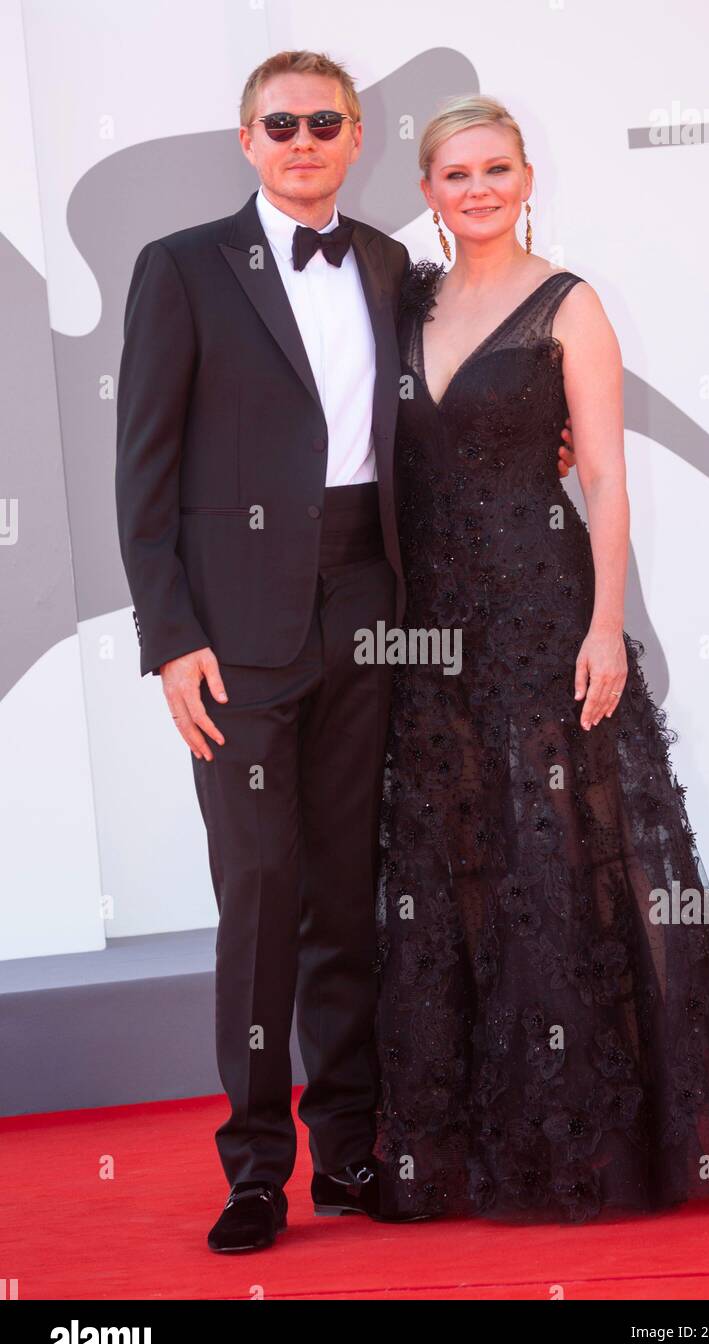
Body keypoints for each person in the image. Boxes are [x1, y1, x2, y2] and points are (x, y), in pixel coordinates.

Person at [114, 49, 579, 1254]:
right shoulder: (179, 271)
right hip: (237, 638)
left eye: (327, 122)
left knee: (348, 897)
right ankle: (256, 1170)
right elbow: (145, 474)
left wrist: (546, 439)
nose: (305, 140)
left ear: (357, 137)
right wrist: (171, 638)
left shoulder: (389, 268)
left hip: (376, 611)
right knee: (261, 895)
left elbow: (450, 402)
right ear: (247, 139)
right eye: (283, 124)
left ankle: (353, 1153)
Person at [372, 94, 709, 1223]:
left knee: (561, 854)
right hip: (432, 632)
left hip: (544, 610)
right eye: (455, 173)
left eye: (496, 169)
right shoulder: (404, 302)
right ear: (427, 193)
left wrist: (607, 623)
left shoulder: (572, 305)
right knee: (457, 859)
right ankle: (469, 1136)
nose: (478, 189)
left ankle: (591, 1142)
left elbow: (603, 476)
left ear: (526, 178)